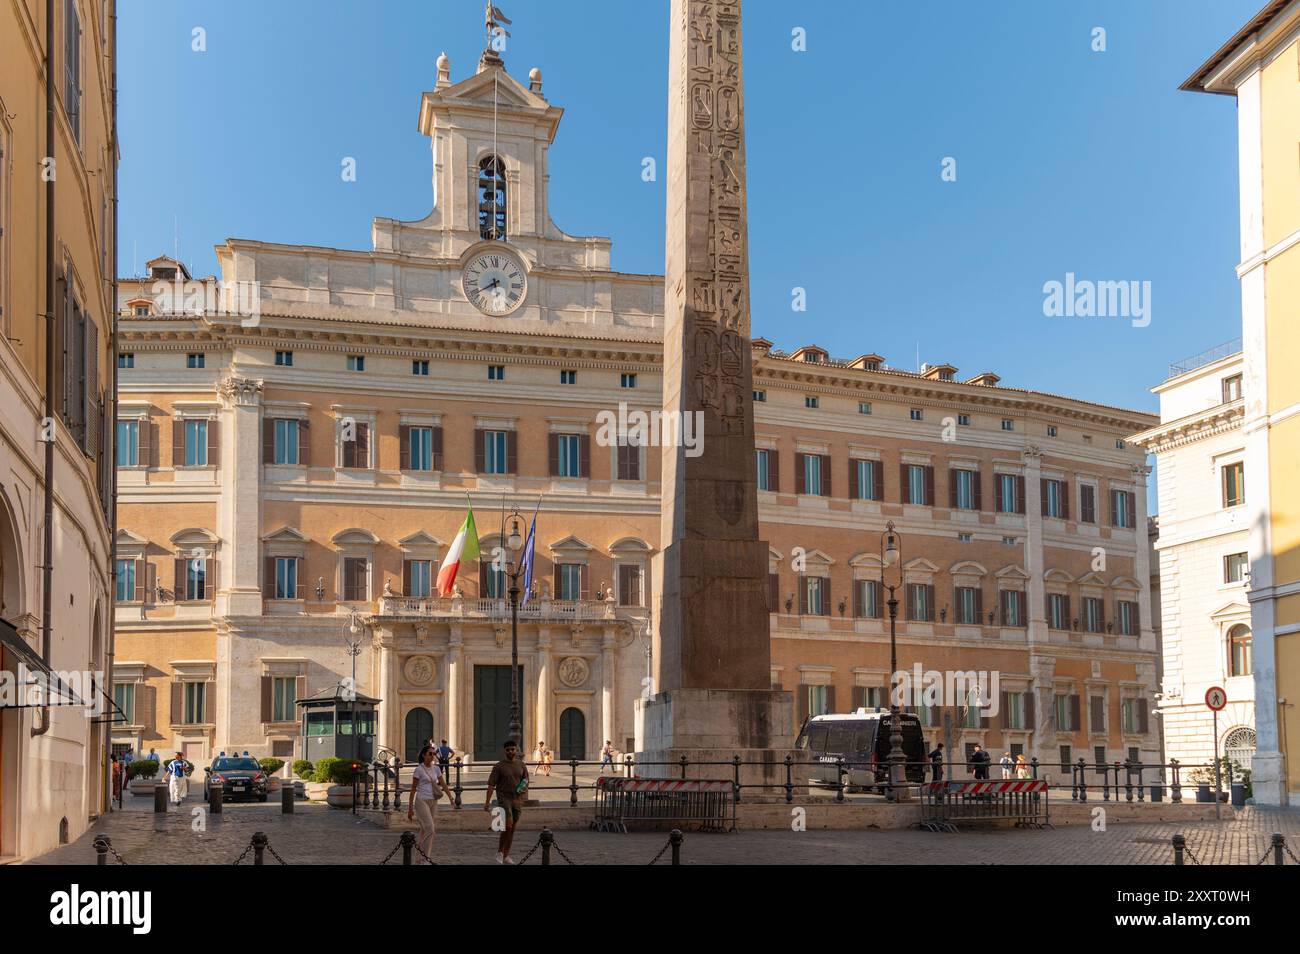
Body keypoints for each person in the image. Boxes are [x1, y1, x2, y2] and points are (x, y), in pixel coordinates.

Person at [406, 744, 454, 864]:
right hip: (421, 801)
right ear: (424, 755)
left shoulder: (436, 768)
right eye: (430, 753)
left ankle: (419, 858)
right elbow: (413, 790)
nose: (433, 756)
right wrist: (410, 808)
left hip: (433, 801)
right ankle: (426, 858)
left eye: (434, 753)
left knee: (424, 831)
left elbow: (443, 784)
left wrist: (451, 798)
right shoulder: (419, 770)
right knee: (430, 829)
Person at [484, 739, 529, 864]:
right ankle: (500, 851)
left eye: (512, 749)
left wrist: (523, 789)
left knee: (512, 828)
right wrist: (487, 802)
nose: (510, 752)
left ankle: (506, 855)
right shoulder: (498, 766)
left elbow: (525, 780)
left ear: (516, 750)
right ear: (504, 751)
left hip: (517, 799)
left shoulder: (521, 765)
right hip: (504, 798)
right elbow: (491, 785)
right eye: (508, 750)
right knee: (507, 825)